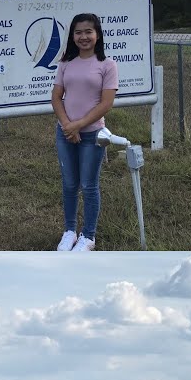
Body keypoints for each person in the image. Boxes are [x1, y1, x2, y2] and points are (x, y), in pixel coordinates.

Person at [50, 13, 119, 251]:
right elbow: (56, 97)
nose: (83, 36)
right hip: (65, 133)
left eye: (88, 31)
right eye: (78, 32)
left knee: (89, 185)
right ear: (72, 36)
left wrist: (77, 125)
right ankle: (69, 231)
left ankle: (88, 235)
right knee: (69, 184)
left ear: (97, 34)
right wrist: (67, 125)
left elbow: (105, 103)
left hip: (92, 135)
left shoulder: (107, 65)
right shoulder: (66, 63)